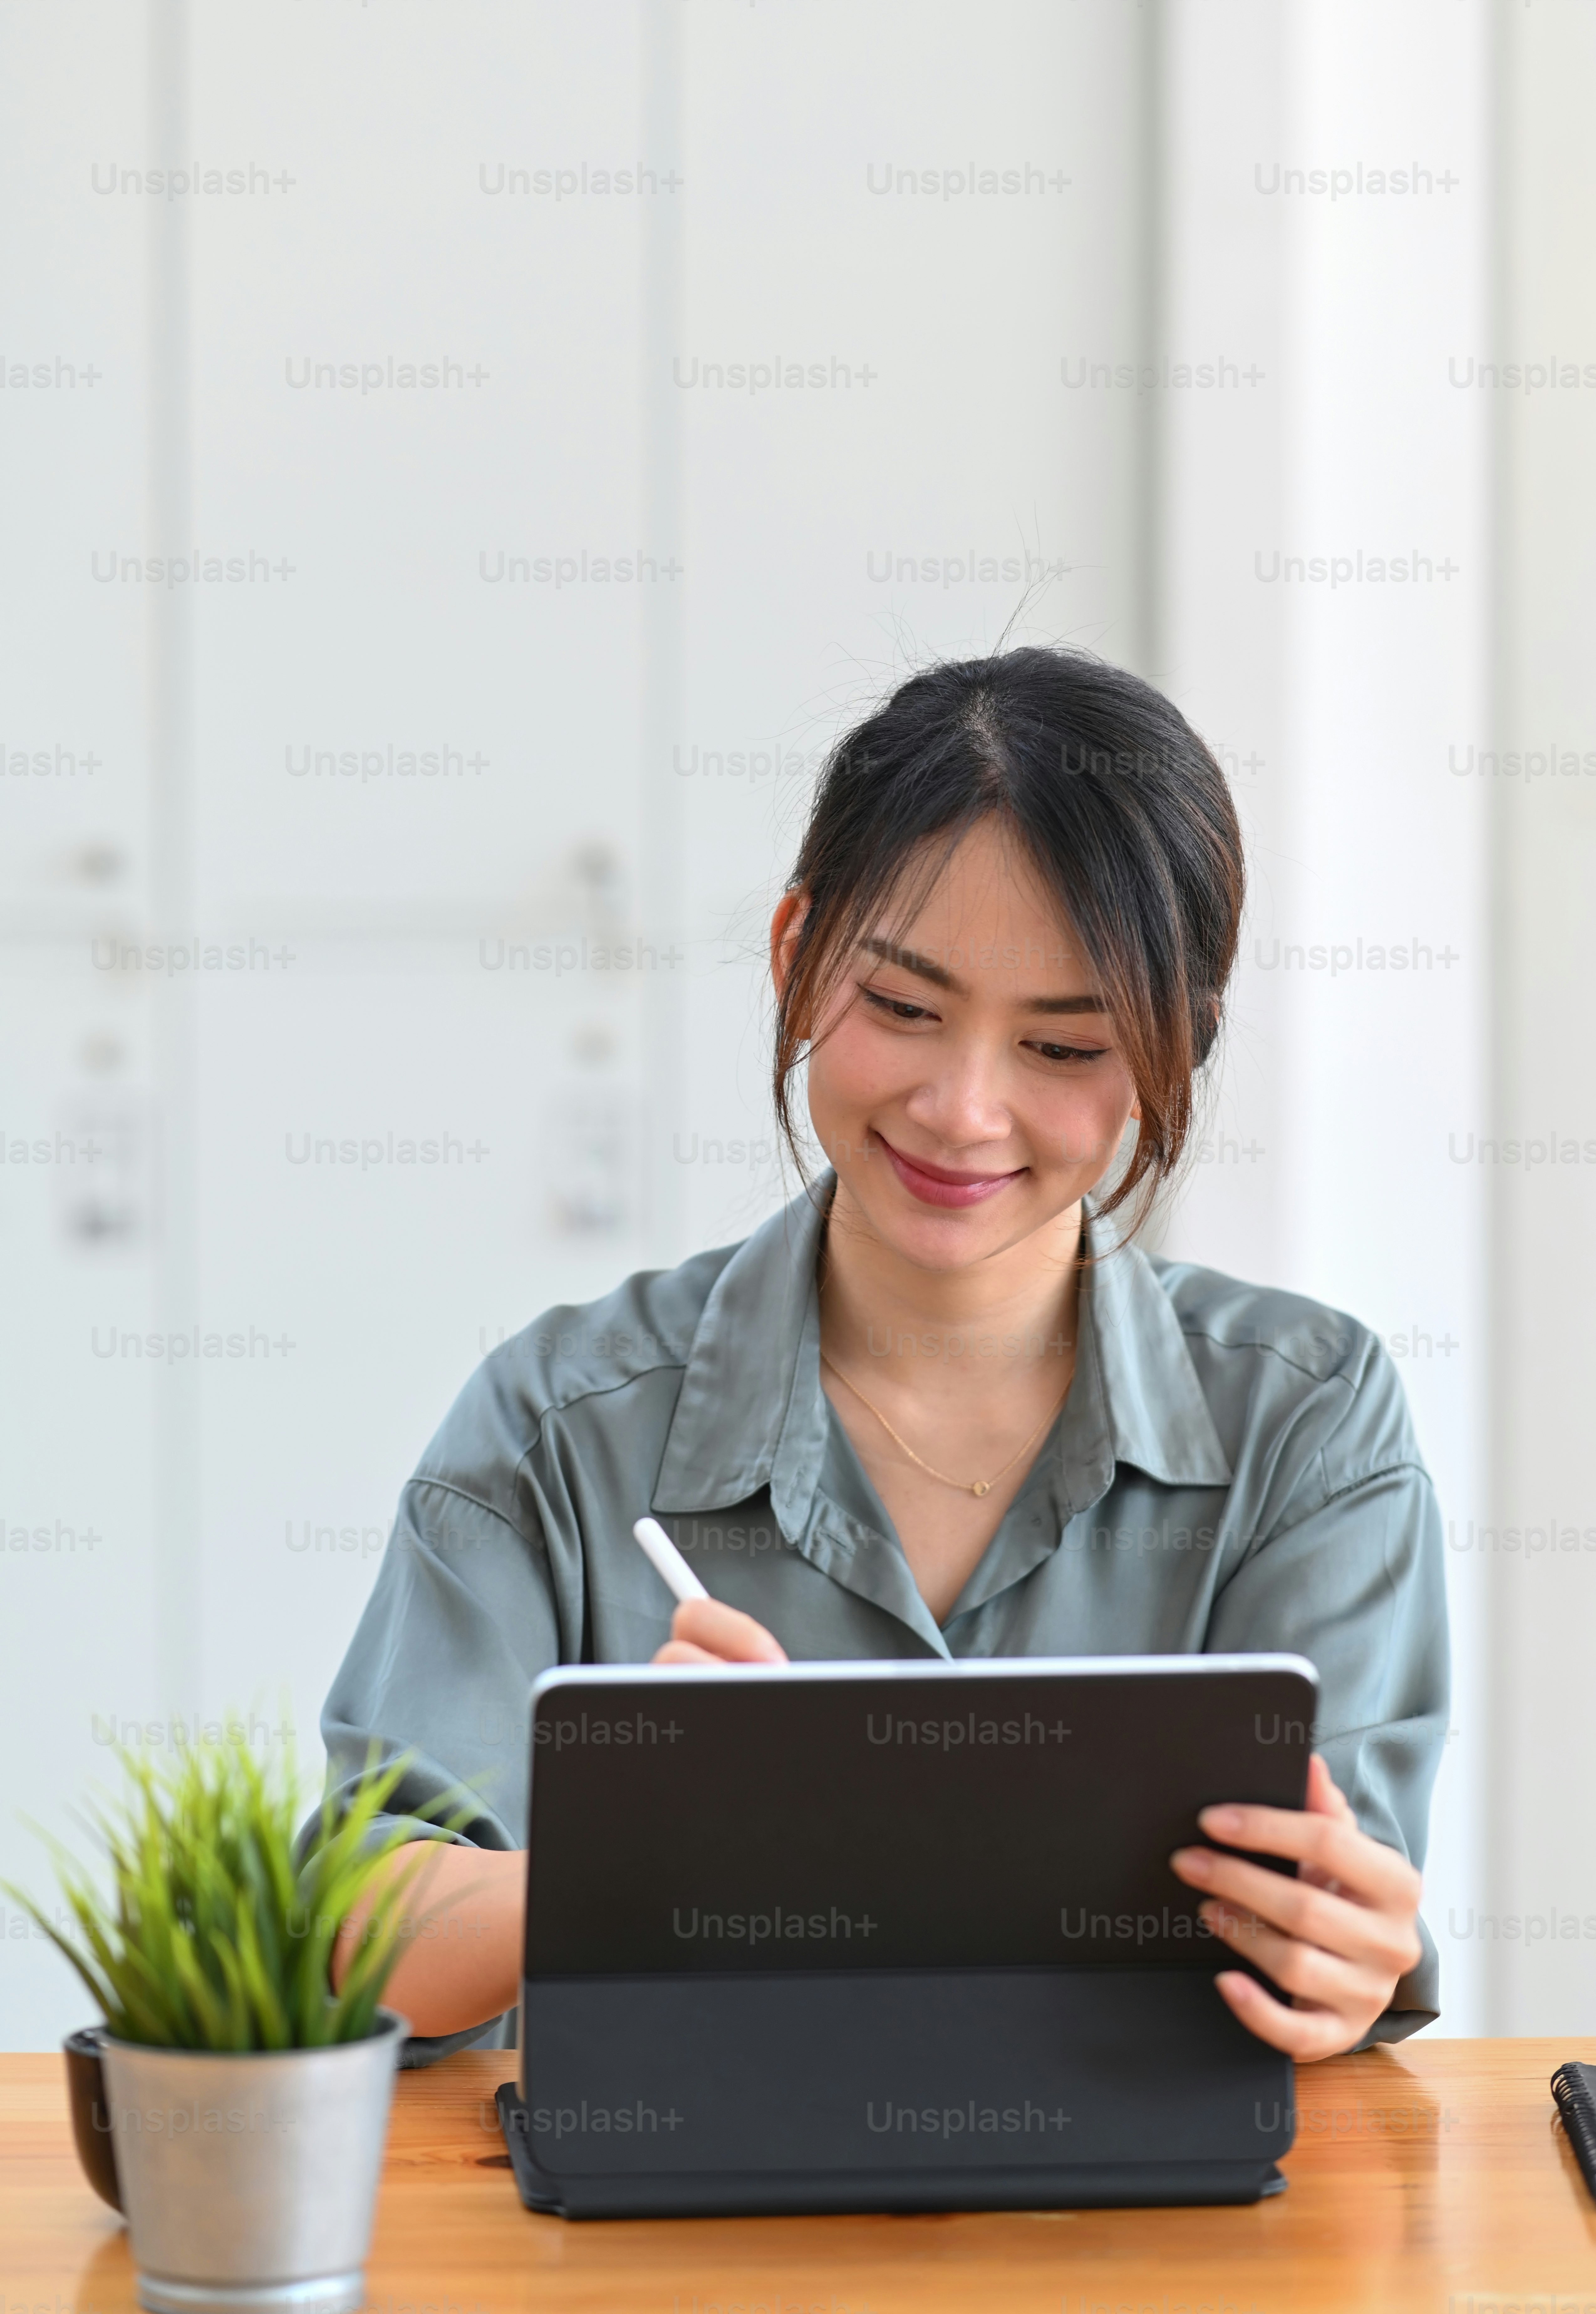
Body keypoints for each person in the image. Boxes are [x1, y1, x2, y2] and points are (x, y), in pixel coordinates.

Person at [316, 647, 1444, 2066]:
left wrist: (1341, 1963)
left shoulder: (1306, 1422)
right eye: (903, 1010)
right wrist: (647, 1841)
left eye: (1061, 1046)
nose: (963, 1109)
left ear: (1176, 1052)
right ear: (795, 959)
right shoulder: (560, 1422)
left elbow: (1339, 1932)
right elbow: (356, 1934)